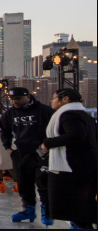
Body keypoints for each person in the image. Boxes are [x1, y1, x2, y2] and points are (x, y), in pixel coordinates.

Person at [0, 87, 55, 225]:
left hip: (42, 153)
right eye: (12, 99)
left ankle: (46, 211)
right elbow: (4, 131)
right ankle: (28, 209)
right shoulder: (10, 113)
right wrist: (8, 148)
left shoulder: (44, 110)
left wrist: (49, 146)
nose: (15, 102)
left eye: (18, 99)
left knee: (43, 183)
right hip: (21, 153)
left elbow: (56, 129)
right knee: (24, 183)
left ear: (28, 97)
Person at [43, 89, 97, 229]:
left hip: (72, 166)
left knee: (75, 205)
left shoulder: (69, 115)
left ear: (65, 99)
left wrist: (49, 143)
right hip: (84, 164)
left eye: (54, 98)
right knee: (82, 205)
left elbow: (76, 135)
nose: (51, 101)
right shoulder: (84, 115)